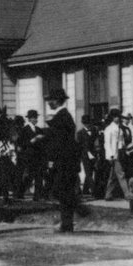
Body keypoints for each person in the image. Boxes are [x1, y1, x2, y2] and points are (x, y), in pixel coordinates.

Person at [44, 88, 81, 233]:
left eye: (50, 100)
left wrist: (51, 158)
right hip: (67, 161)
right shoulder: (63, 116)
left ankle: (67, 222)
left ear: (57, 101)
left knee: (61, 191)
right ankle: (67, 223)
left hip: (64, 161)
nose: (48, 103)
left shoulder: (61, 117)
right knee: (63, 191)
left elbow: (59, 142)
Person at [102, 109, 129, 201]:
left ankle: (108, 195)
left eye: (118, 116)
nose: (118, 118)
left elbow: (122, 141)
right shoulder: (109, 129)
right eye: (116, 116)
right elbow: (107, 144)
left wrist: (125, 150)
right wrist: (110, 156)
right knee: (121, 174)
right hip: (113, 154)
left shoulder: (120, 128)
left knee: (113, 176)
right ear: (113, 117)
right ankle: (127, 194)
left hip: (120, 153)